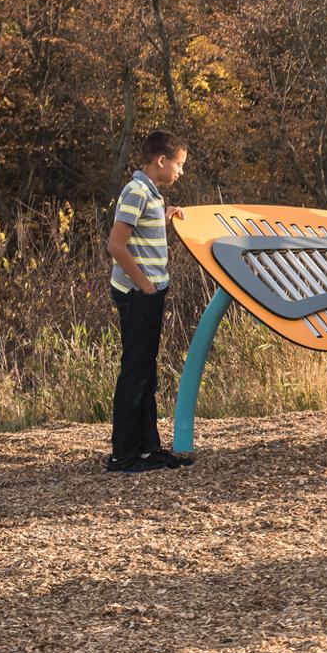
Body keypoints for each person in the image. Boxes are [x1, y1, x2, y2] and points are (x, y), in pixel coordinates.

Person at [104, 129, 192, 473]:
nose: (180, 172)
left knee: (146, 373)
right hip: (139, 295)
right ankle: (124, 454)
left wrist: (164, 216)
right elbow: (116, 245)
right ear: (161, 161)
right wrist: (146, 288)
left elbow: (141, 233)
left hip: (148, 293)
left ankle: (148, 449)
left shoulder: (150, 194)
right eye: (179, 165)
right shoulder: (136, 192)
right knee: (136, 374)